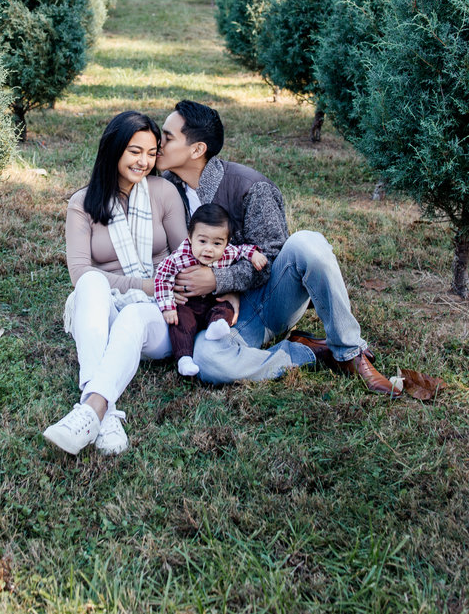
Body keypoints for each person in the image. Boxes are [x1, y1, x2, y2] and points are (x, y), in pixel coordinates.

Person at [155, 99, 400, 396]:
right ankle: (309, 353)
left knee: (307, 243)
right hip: (219, 315)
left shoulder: (250, 187)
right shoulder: (165, 188)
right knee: (208, 361)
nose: (158, 144)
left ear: (197, 150)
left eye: (167, 137)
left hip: (269, 299)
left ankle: (350, 352)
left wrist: (220, 280)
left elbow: (272, 258)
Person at [43, 111, 187, 457]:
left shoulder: (163, 192)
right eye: (135, 151)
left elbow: (185, 257)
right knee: (90, 282)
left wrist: (155, 290)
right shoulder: (83, 203)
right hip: (105, 306)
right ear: (114, 149)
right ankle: (102, 416)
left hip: (158, 313)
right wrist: (143, 284)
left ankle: (92, 410)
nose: (144, 161)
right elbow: (79, 271)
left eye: (152, 153)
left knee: (130, 317)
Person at [154, 203, 267, 377]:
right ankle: (184, 359)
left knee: (226, 307)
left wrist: (254, 254)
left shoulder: (227, 252)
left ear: (226, 243)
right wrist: (168, 306)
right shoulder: (179, 258)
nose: (209, 248)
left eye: (217, 243)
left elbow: (241, 250)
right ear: (190, 237)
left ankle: (217, 326)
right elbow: (162, 277)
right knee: (180, 323)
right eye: (202, 241)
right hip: (188, 304)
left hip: (214, 300)